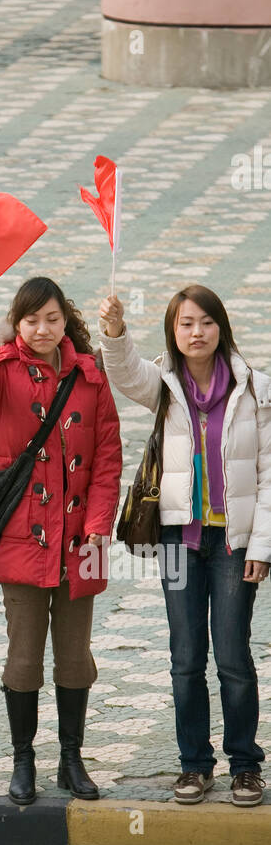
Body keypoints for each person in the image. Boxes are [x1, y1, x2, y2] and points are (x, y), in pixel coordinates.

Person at [0, 276, 122, 805]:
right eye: (31, 320)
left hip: (83, 545)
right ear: (18, 324)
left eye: (51, 318)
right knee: (23, 657)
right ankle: (23, 760)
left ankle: (71, 759)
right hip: (23, 539)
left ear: (65, 320)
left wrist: (97, 525)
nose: (42, 328)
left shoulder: (92, 377)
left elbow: (109, 459)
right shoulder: (0, 371)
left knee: (76, 658)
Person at [99, 286, 270, 807]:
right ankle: (195, 765)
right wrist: (114, 331)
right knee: (186, 657)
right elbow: (126, 373)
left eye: (206, 323)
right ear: (173, 332)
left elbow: (268, 473)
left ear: (222, 328)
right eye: (185, 324)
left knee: (235, 657)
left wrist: (261, 545)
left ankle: (245, 765)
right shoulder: (166, 385)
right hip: (179, 539)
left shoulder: (256, 388)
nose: (196, 333)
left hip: (234, 543)